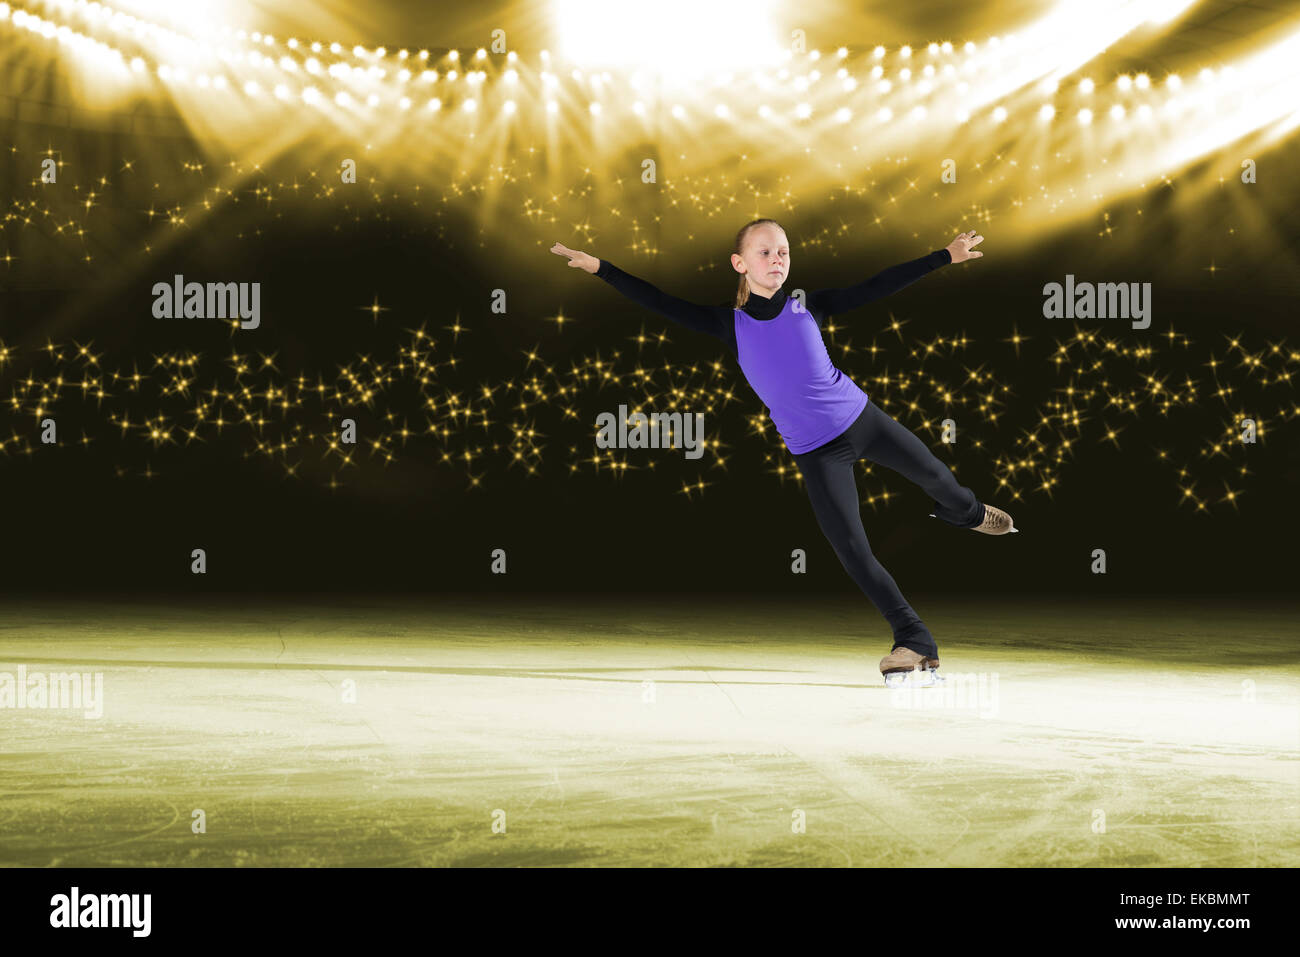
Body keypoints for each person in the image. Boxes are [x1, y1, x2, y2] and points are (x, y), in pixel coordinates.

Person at [550, 219, 1016, 687]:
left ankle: (968, 513)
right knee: (852, 550)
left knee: (940, 480)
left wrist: (944, 256)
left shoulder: (807, 305)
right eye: (765, 253)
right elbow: (659, 300)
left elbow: (877, 285)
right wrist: (600, 269)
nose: (777, 260)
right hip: (816, 451)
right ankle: (914, 640)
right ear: (740, 264)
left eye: (784, 252)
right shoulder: (728, 323)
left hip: (862, 420)